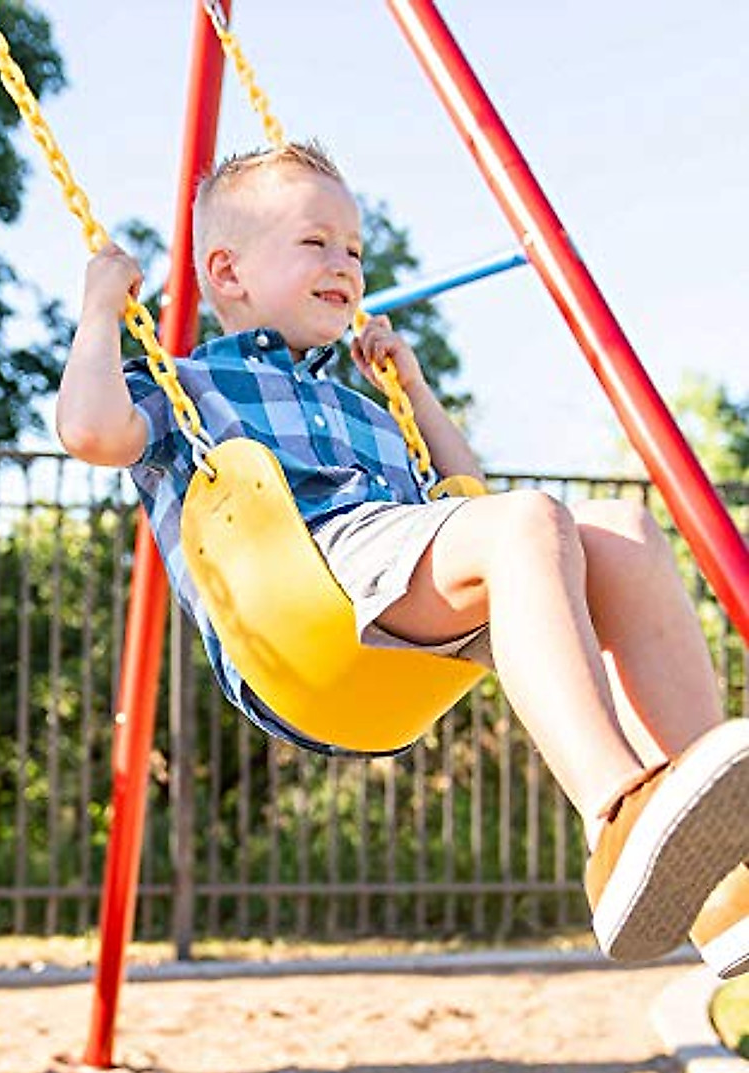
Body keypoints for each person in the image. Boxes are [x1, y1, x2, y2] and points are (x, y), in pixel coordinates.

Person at [56, 140, 749, 975]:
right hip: (309, 602)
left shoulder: (366, 405)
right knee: (526, 521)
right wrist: (100, 309)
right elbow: (91, 432)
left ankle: (722, 878)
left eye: (354, 247)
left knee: (625, 532)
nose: (344, 263)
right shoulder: (184, 389)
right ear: (228, 274)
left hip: (401, 585)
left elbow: (466, 493)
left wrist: (412, 389)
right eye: (315, 242)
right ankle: (615, 816)